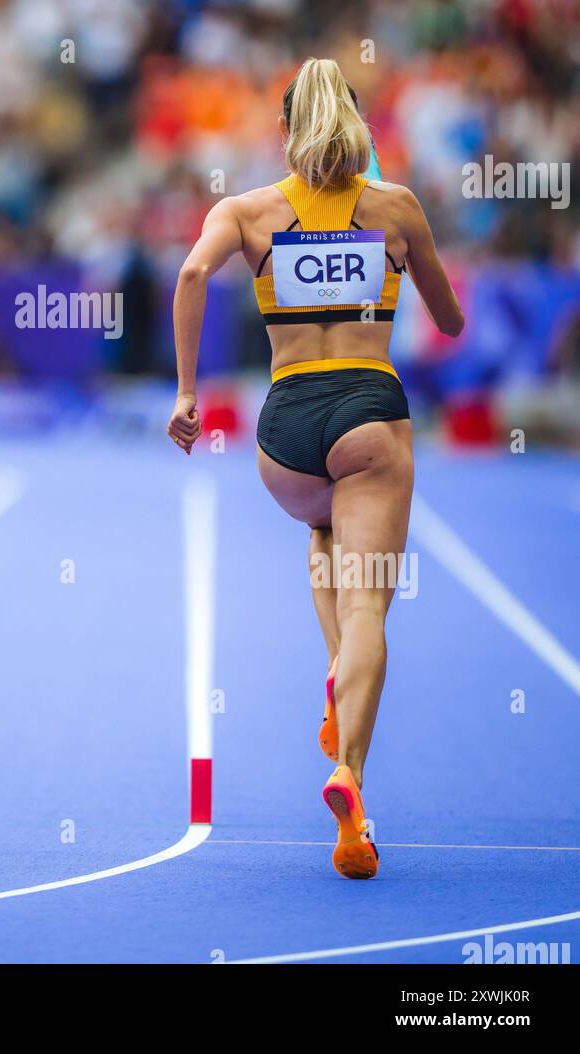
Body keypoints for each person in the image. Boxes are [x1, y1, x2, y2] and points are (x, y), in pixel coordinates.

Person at [168, 58, 464, 879]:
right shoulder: (395, 208)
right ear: (361, 126)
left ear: (288, 127)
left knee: (323, 527)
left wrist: (189, 392)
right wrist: (407, 278)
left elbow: (191, 273)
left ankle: (344, 728)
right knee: (368, 604)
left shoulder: (249, 210)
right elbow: (449, 320)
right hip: (369, 415)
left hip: (285, 431)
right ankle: (350, 772)